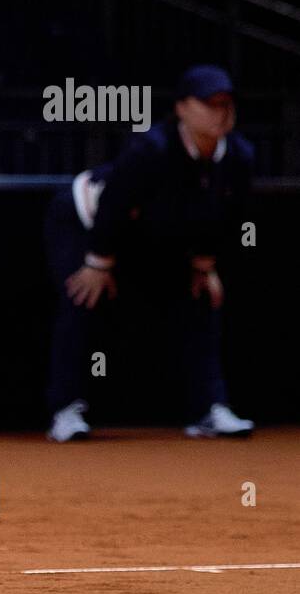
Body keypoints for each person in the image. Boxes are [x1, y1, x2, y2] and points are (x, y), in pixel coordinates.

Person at [44, 64, 254, 442]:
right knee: (81, 297)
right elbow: (114, 204)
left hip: (154, 234)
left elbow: (228, 216)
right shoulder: (150, 149)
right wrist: (97, 262)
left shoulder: (240, 156)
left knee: (201, 296)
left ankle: (209, 410)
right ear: (182, 109)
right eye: (209, 103)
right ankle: (66, 410)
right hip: (87, 220)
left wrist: (205, 264)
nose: (221, 112)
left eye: (227, 104)